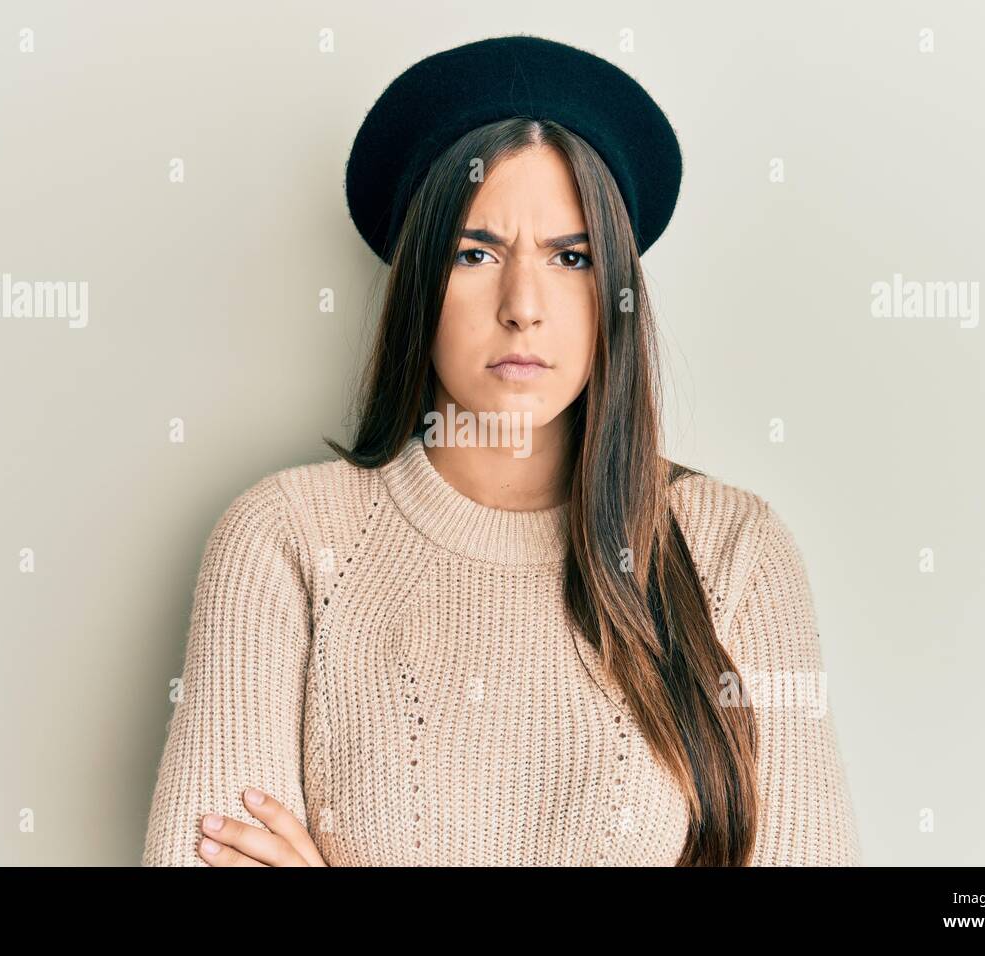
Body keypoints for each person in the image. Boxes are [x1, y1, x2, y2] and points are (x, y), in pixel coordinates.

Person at [140, 34, 860, 867]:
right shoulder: (286, 539)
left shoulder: (735, 551)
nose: (524, 305)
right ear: (419, 281)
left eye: (572, 257)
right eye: (476, 253)